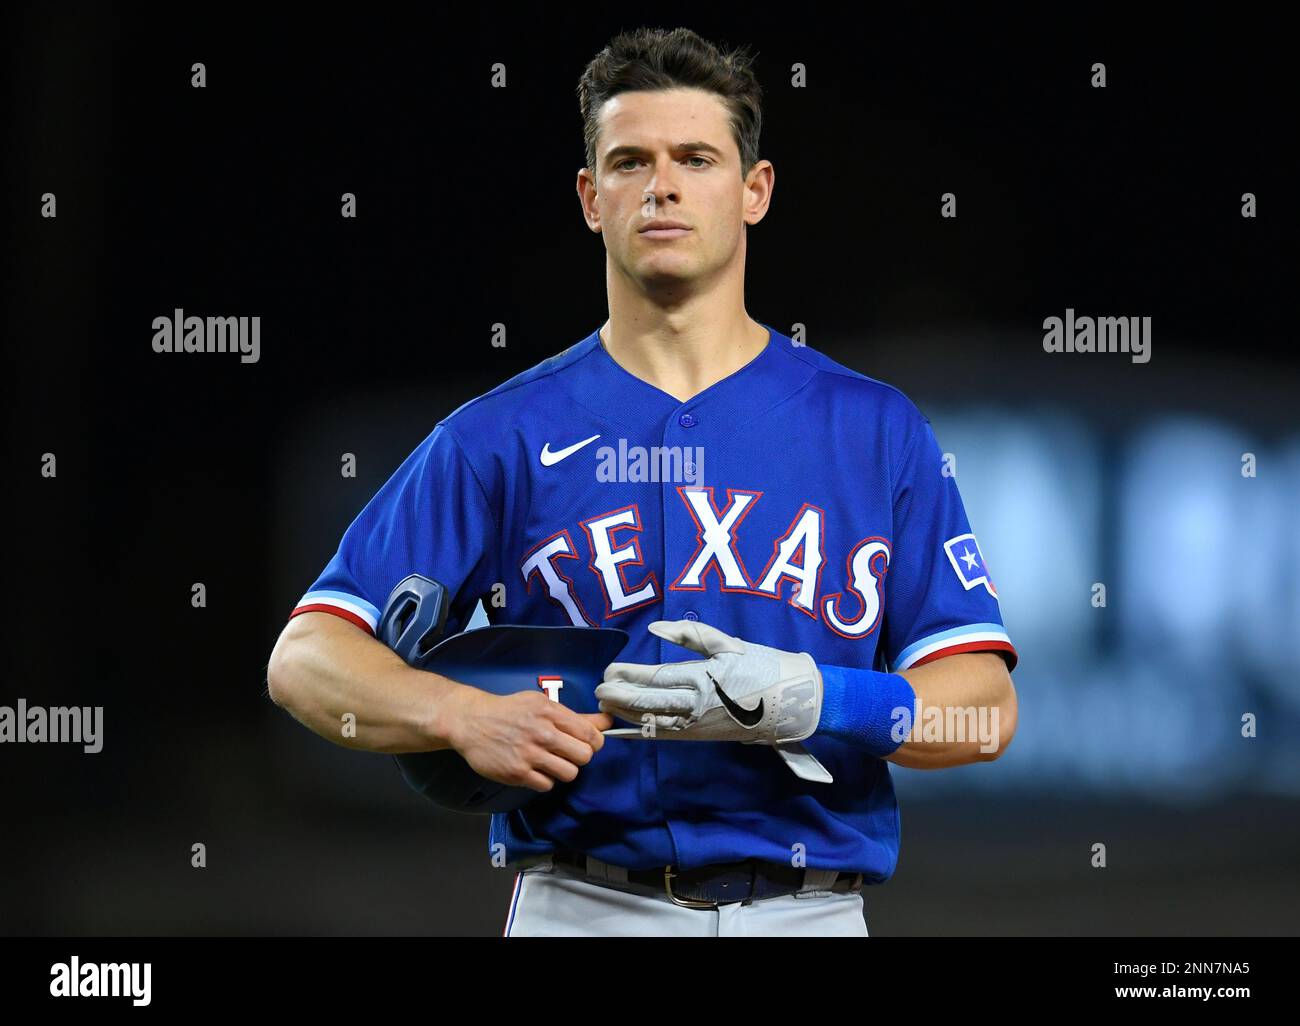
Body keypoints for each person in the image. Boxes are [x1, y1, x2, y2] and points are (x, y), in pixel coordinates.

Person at [267, 26, 1018, 937]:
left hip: (808, 914)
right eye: (630, 161)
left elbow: (982, 712)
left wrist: (821, 700)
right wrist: (460, 712)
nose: (660, 185)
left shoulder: (873, 429)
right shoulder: (500, 434)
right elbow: (305, 661)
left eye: (696, 157)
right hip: (580, 904)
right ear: (591, 198)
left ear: (755, 191)